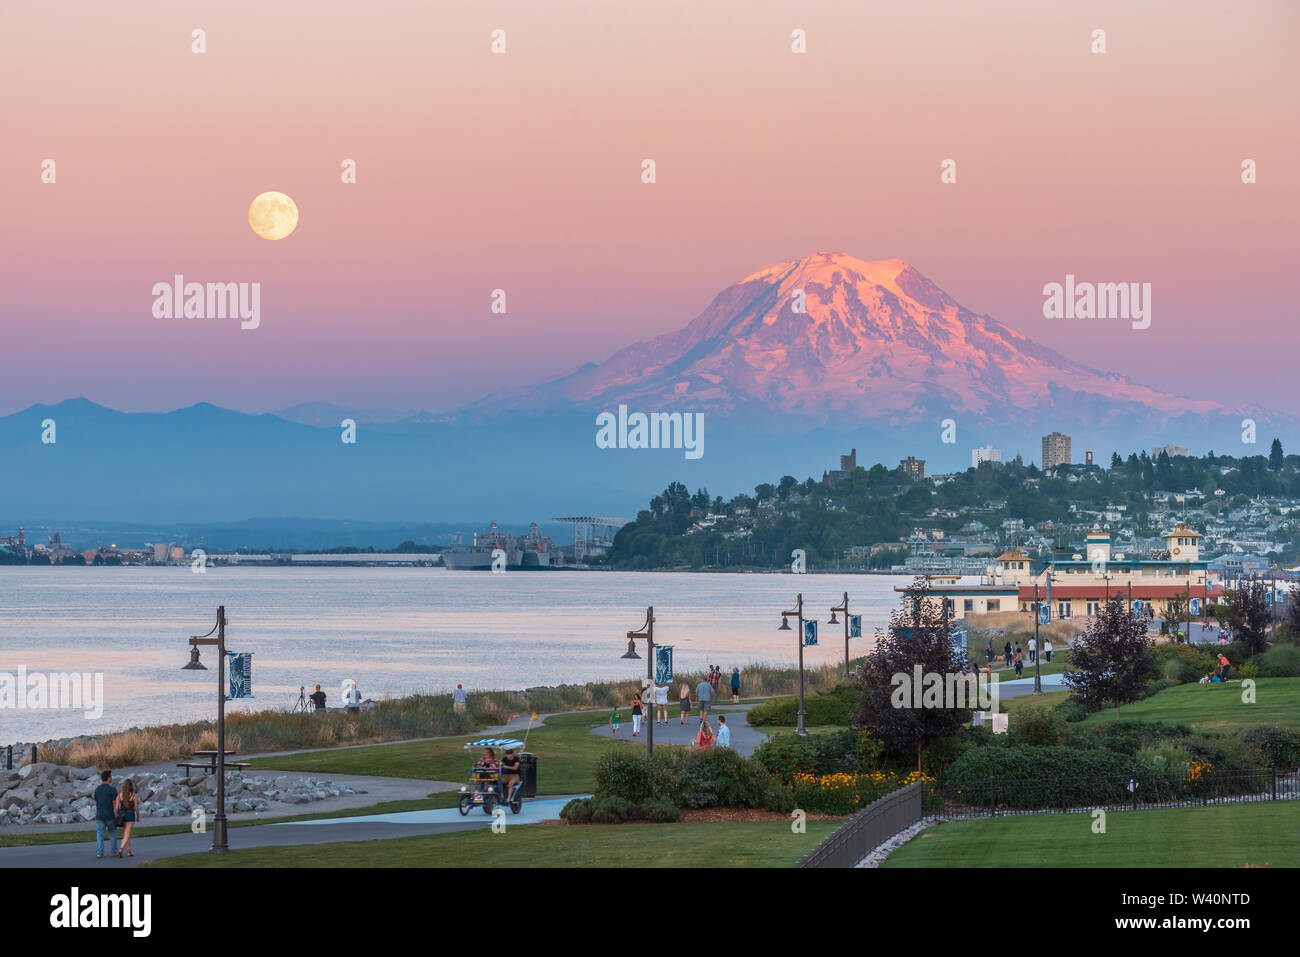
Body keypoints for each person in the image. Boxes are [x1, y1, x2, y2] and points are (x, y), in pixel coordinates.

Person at [93, 770, 118, 859]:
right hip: (109, 815)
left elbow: (96, 803)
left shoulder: (97, 789)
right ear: (108, 778)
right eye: (111, 776)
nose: (112, 778)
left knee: (100, 833)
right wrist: (117, 814)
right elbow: (115, 803)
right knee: (113, 832)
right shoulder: (112, 789)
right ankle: (114, 851)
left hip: (99, 814)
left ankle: (100, 852)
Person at [114, 778, 140, 858]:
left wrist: (118, 814)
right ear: (131, 786)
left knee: (126, 833)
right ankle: (121, 849)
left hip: (122, 814)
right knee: (127, 833)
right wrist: (138, 816)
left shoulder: (120, 795)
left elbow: (116, 807)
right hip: (130, 814)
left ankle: (129, 851)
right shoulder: (134, 795)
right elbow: (136, 807)